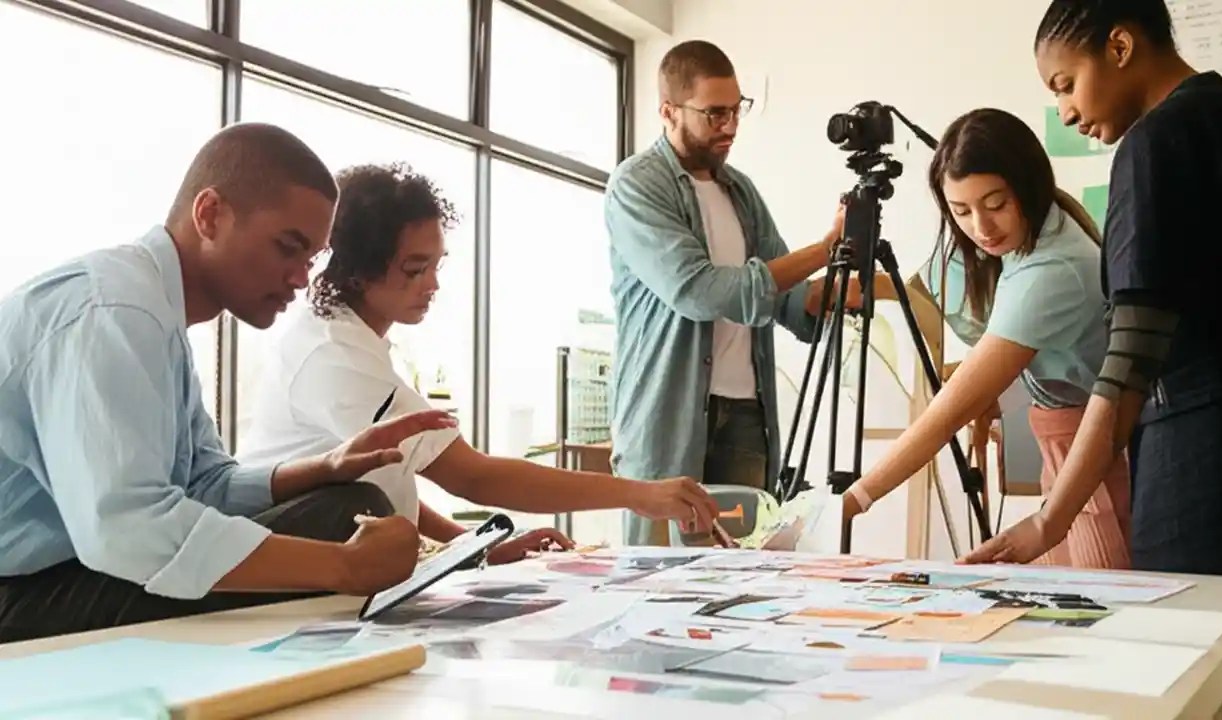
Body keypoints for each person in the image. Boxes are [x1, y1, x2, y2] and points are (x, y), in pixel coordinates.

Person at [0, 123, 462, 644]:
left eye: (310, 259)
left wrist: (323, 467)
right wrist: (343, 565)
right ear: (210, 215)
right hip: (16, 593)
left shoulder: (155, 315)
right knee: (343, 523)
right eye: (288, 248)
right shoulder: (114, 311)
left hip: (54, 574)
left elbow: (204, 484)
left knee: (343, 502)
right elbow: (127, 530)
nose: (300, 278)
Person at [961, 0, 1222, 712]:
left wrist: (1052, 518)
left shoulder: (1156, 142)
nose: (1067, 113)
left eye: (1065, 83)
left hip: (1209, 471)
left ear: (1122, 46)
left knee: (1204, 688)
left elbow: (1130, 357)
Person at [237, 161, 720, 560]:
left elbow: (392, 479)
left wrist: (475, 545)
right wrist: (641, 494)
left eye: (436, 265)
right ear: (360, 270)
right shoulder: (335, 356)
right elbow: (472, 475)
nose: (432, 285)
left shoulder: (353, 343)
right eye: (414, 269)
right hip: (299, 561)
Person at [838, 108, 1130, 570]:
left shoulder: (1053, 270)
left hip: (1098, 449)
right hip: (1061, 440)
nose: (981, 227)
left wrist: (855, 498)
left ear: (1028, 184)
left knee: (1109, 607)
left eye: (995, 204)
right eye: (961, 211)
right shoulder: (1031, 234)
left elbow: (947, 414)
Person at [605, 39, 845, 546]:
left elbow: (787, 295)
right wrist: (824, 248)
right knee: (655, 586)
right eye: (715, 113)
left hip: (746, 414)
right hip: (666, 417)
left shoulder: (742, 192)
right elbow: (697, 290)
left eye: (737, 111)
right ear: (669, 111)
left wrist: (841, 282)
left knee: (739, 580)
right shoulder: (636, 186)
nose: (730, 126)